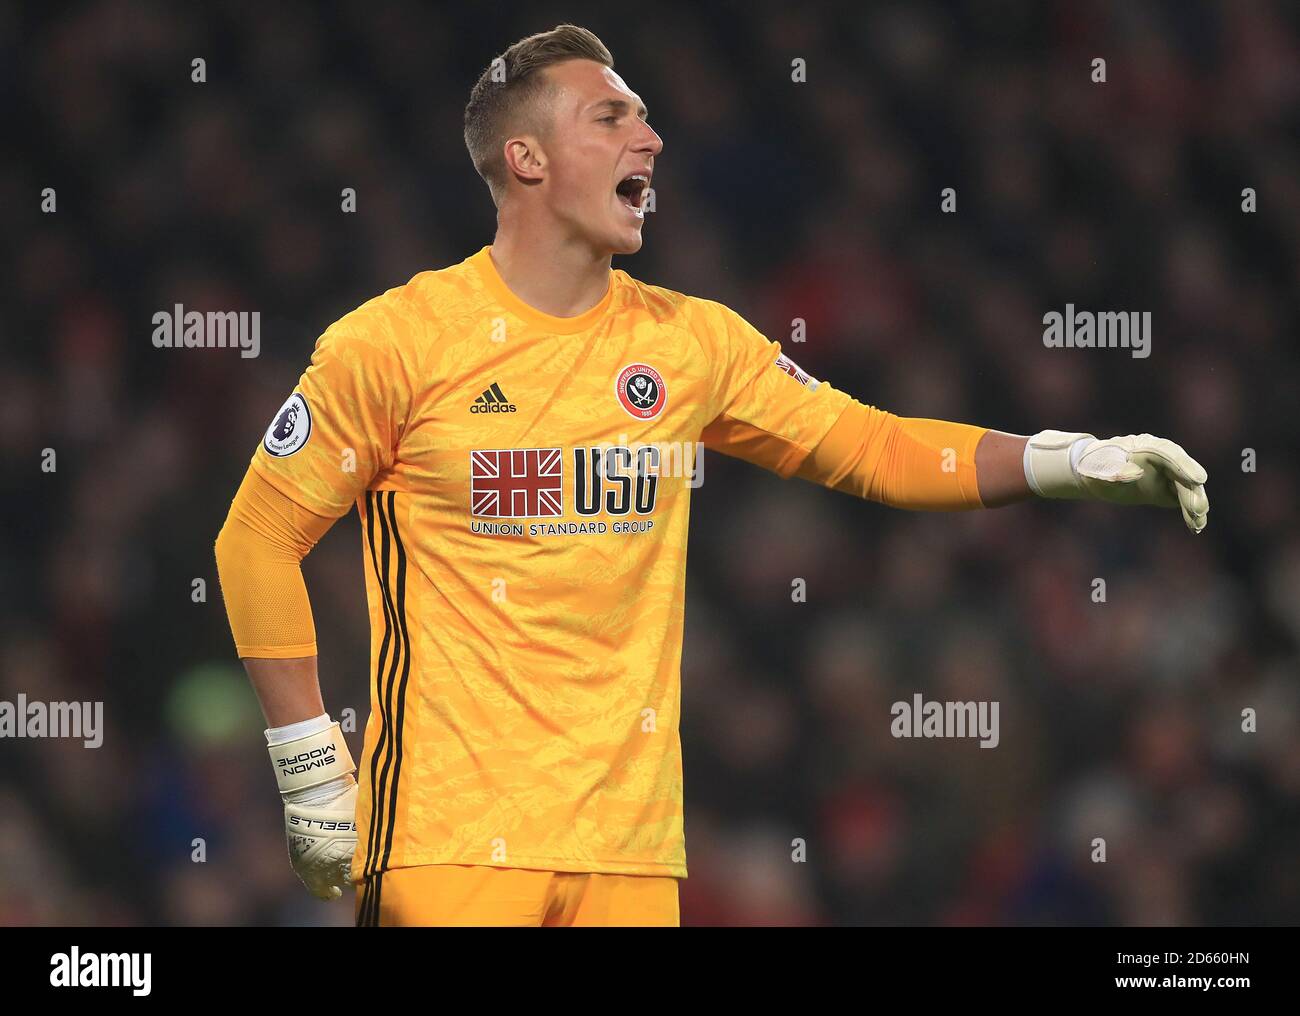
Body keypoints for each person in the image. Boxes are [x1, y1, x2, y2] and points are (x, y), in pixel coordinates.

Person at [214, 24, 1209, 927]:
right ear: (526, 158)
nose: (650, 140)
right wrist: (309, 764)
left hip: (630, 855)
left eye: (646, 118)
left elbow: (874, 446)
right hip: (450, 841)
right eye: (611, 118)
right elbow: (256, 538)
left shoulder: (690, 343)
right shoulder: (395, 344)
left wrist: (1065, 460)